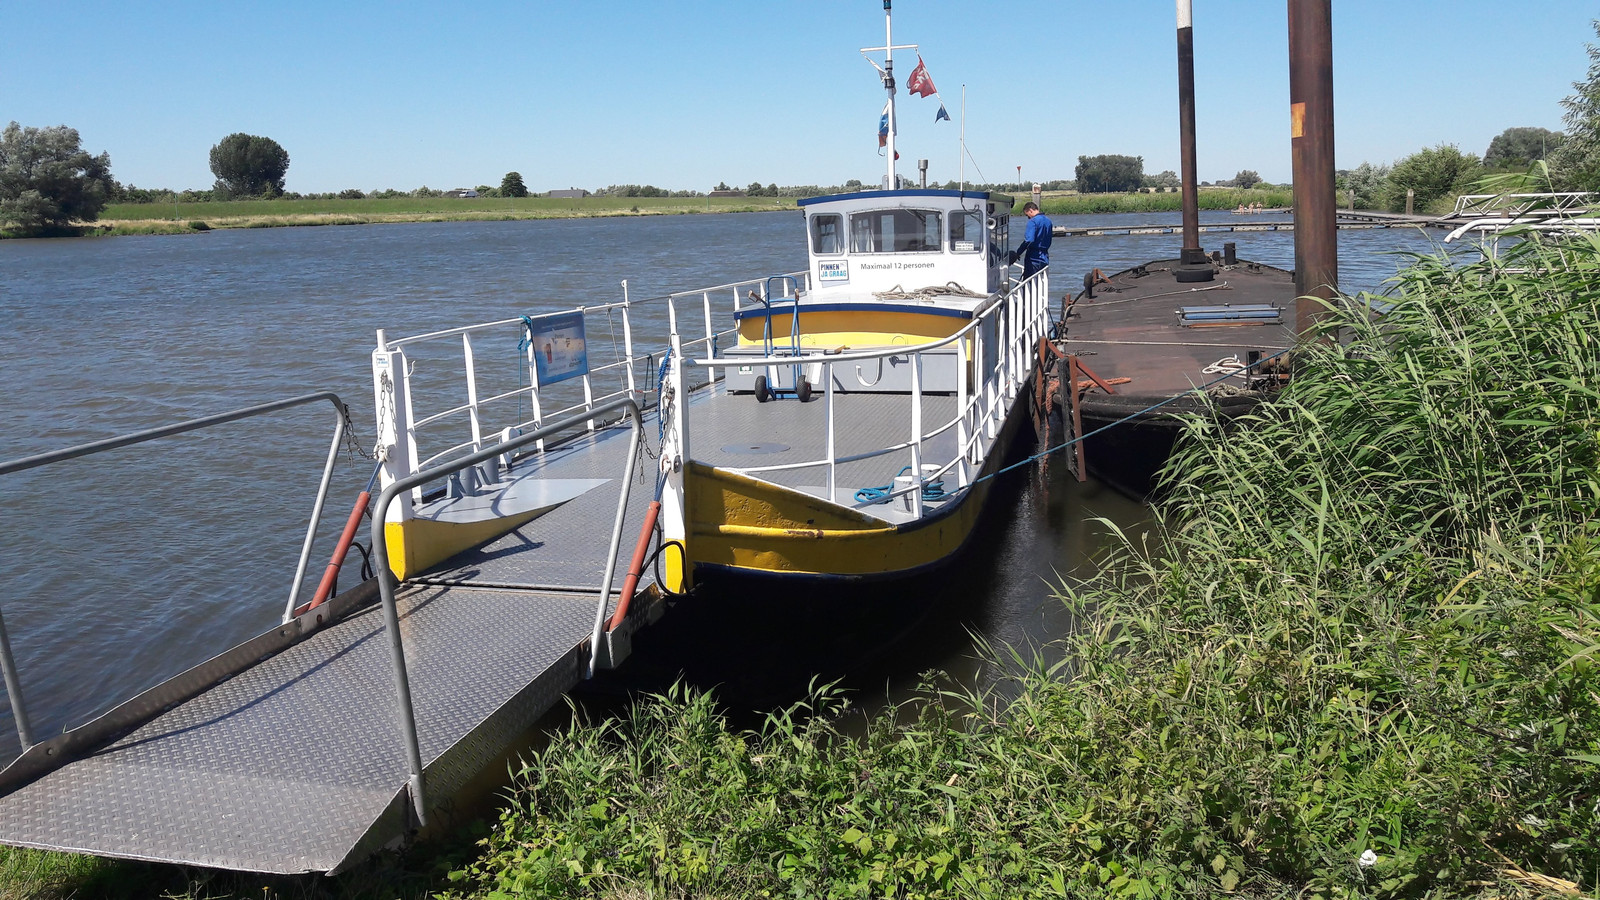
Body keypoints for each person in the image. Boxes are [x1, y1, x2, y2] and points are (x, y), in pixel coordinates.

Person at [1010, 201, 1053, 280]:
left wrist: (1018, 253)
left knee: (1029, 282)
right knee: (1041, 281)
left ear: (1030, 210)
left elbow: (1028, 240)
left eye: (1027, 215)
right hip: (1045, 256)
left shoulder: (1033, 221)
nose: (1028, 218)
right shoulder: (1048, 221)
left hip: (1034, 256)